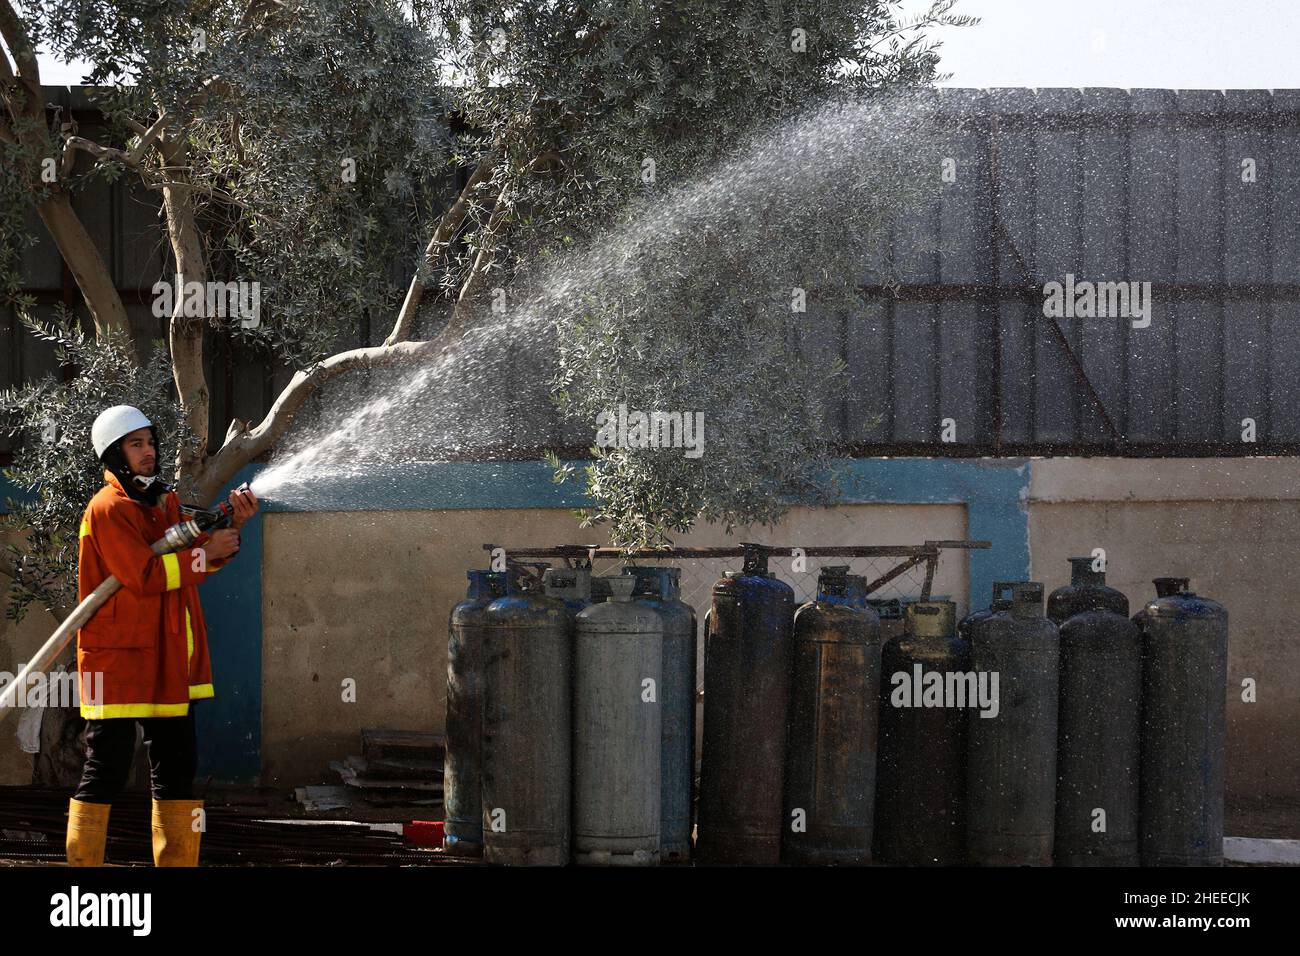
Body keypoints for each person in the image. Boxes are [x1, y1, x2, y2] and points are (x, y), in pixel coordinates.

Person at [65, 405, 259, 866]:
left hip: (169, 658)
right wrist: (203, 555)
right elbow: (144, 575)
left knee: (176, 773)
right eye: (136, 444)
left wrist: (234, 527)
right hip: (115, 663)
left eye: (150, 442)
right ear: (115, 453)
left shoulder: (162, 503)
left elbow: (194, 558)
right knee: (105, 769)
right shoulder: (107, 509)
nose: (148, 452)